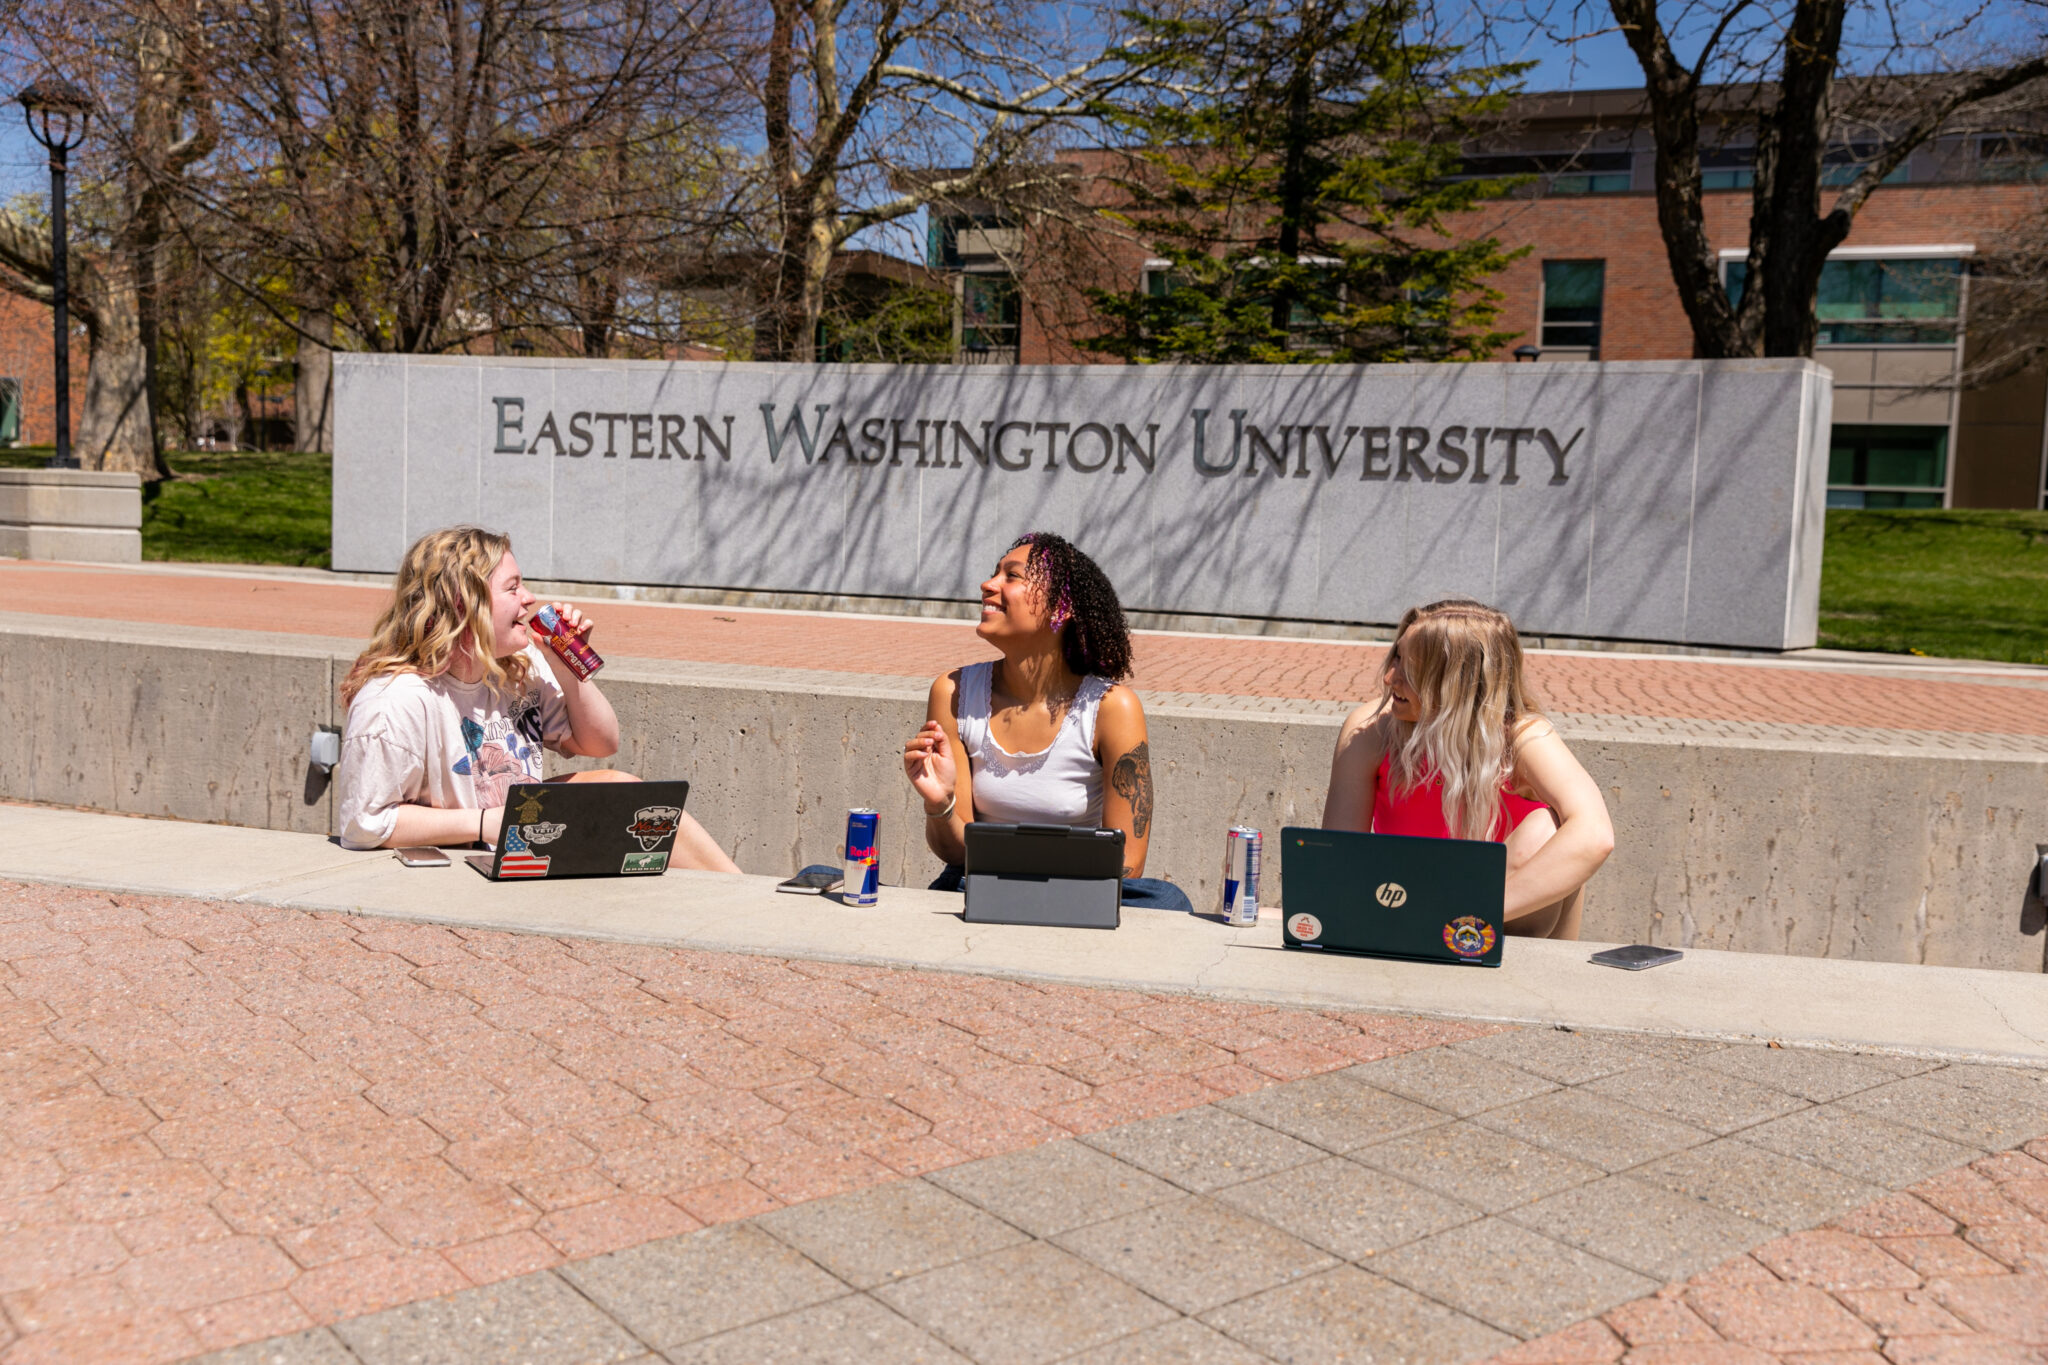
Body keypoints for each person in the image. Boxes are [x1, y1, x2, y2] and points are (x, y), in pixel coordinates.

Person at [335, 525, 739, 871]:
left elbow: (600, 744)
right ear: (462, 604)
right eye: (512, 587)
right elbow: (365, 822)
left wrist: (565, 662)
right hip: (463, 859)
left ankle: (743, 899)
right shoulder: (396, 700)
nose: (529, 598)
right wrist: (485, 823)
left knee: (624, 791)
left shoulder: (518, 664)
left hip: (519, 836)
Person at [902, 532, 1191, 911]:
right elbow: (956, 854)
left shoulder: (1110, 707)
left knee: (1166, 900)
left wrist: (1040, 886)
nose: (987, 585)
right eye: (994, 574)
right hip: (981, 881)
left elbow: (1128, 865)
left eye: (1012, 576)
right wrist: (939, 804)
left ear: (1062, 607)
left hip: (1079, 887)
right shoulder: (954, 692)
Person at [1321, 599, 1613, 938]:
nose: (1389, 677)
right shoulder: (1371, 730)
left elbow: (1595, 835)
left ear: (1458, 680)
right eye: (1396, 657)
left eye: (1410, 668)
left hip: (1498, 922)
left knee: (1547, 828)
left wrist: (1465, 911)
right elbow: (1338, 858)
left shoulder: (1522, 735)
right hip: (1403, 909)